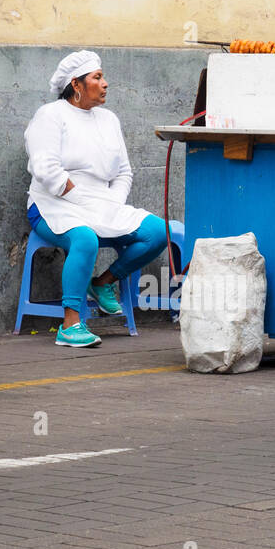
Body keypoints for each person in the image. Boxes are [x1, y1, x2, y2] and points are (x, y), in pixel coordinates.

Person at [25, 50, 170, 347]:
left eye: (103, 77)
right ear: (76, 84)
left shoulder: (108, 119)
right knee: (85, 239)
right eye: (98, 77)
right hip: (54, 203)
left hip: (103, 203)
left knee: (157, 231)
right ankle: (70, 324)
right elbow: (46, 169)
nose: (105, 84)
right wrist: (82, 201)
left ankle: (103, 283)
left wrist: (112, 204)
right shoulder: (50, 116)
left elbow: (124, 172)